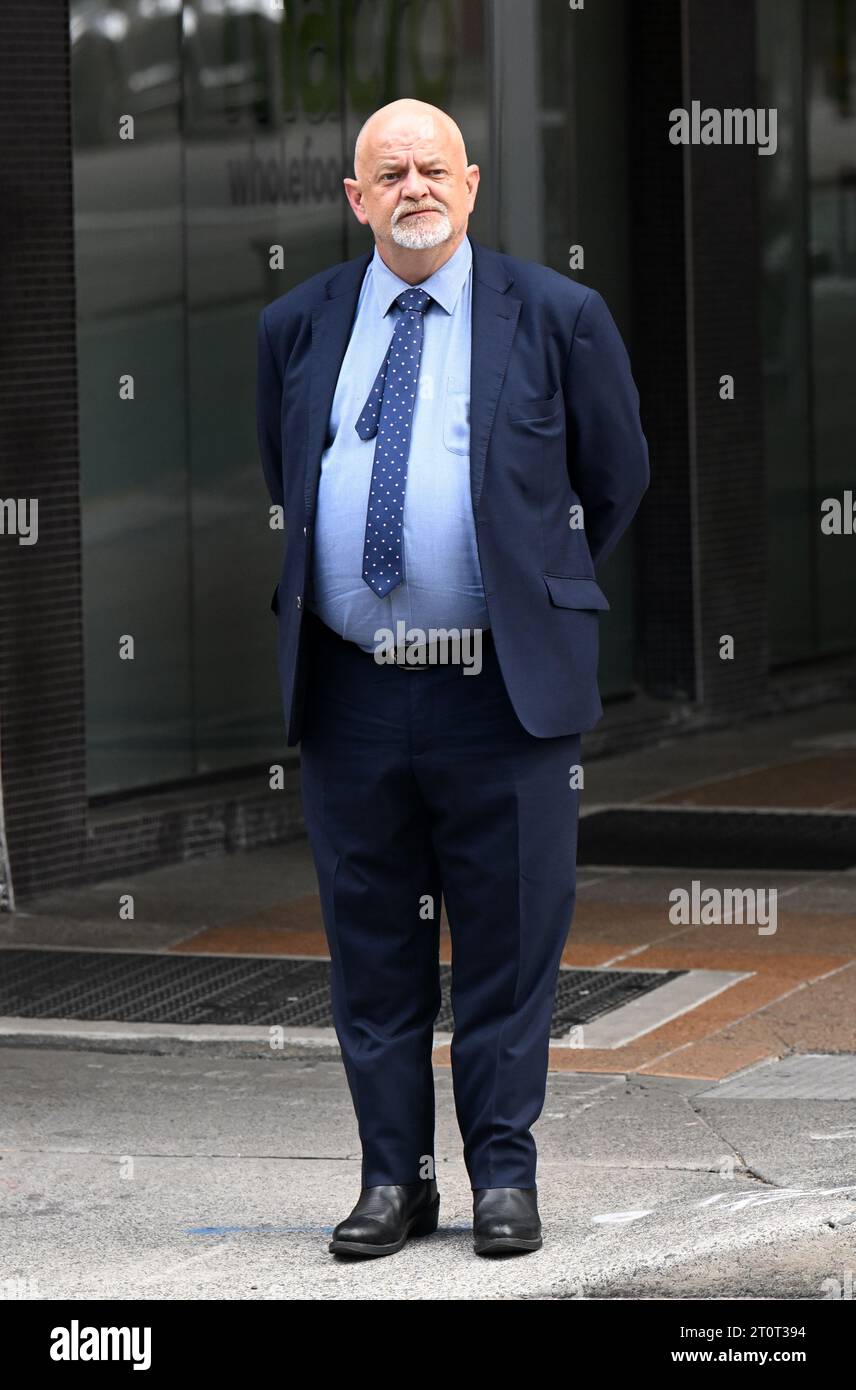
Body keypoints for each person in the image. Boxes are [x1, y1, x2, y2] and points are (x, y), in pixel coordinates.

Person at [256, 98, 649, 1258]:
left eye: (434, 167)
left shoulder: (559, 313)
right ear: (356, 198)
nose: (414, 186)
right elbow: (285, 474)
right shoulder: (295, 324)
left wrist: (527, 600)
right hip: (354, 693)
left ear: (471, 186)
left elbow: (612, 479)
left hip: (498, 692)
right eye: (391, 171)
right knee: (370, 953)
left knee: (507, 946)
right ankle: (394, 1182)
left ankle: (505, 1180)